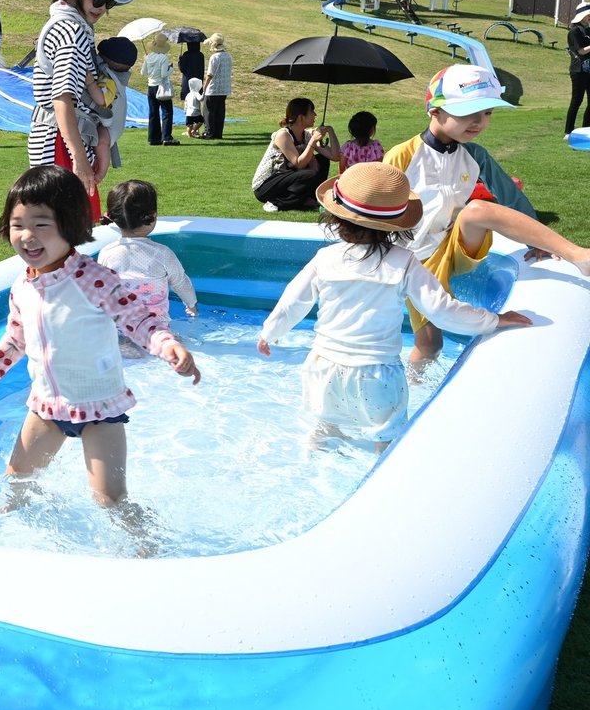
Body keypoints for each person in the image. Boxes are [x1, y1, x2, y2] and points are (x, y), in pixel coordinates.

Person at [0, 166, 200, 510]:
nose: (27, 235)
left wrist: (168, 345)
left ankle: (142, 552)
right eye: (18, 224)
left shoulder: (94, 279)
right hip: (46, 407)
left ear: (70, 225)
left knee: (110, 500)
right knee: (16, 485)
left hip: (100, 408)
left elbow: (137, 320)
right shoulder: (22, 287)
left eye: (41, 224)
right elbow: (14, 341)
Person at [258, 163, 531, 448]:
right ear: (396, 223)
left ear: (335, 219)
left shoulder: (324, 258)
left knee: (325, 428)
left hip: (322, 366)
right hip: (377, 373)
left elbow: (293, 301)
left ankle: (313, 458)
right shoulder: (404, 263)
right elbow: (442, 311)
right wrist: (493, 320)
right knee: (386, 442)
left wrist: (270, 333)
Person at [384, 64, 590, 365]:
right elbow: (379, 212)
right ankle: (414, 390)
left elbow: (504, 197)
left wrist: (535, 242)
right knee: (430, 345)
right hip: (413, 259)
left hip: (452, 246)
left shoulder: (472, 157)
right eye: (469, 112)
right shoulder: (402, 156)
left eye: (488, 113)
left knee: (478, 210)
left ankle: (579, 255)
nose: (479, 122)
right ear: (435, 111)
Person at [26, 0, 133, 222]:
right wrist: (80, 160)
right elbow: (62, 97)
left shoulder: (75, 27)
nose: (102, 7)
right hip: (60, 140)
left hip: (65, 137)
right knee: (65, 230)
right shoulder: (72, 31)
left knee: (67, 230)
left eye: (107, 2)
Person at [98, 179, 198, 320]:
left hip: (121, 325)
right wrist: (191, 304)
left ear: (113, 218)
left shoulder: (107, 253)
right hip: (156, 327)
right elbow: (181, 283)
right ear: (152, 216)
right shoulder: (163, 254)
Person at [251, 97, 340, 213]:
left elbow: (335, 156)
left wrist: (330, 130)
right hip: (266, 186)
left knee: (323, 160)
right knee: (309, 173)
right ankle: (276, 203)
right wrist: (313, 142)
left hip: (288, 180)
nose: (315, 115)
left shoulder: (306, 135)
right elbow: (298, 164)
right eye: (312, 111)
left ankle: (309, 198)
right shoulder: (283, 135)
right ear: (301, 117)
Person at [95, 36, 137, 169]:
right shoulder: (118, 78)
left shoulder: (110, 80)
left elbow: (101, 99)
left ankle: (102, 171)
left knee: (102, 142)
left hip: (110, 126)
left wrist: (90, 83)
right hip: (114, 123)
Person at [141, 32, 177, 146]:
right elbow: (163, 74)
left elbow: (143, 72)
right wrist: (170, 69)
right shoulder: (163, 58)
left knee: (153, 112)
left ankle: (153, 138)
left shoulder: (148, 57)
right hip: (161, 86)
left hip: (151, 86)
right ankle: (166, 137)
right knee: (167, 112)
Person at [197, 33, 232, 140]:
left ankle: (209, 133)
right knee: (219, 112)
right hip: (223, 89)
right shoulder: (227, 56)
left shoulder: (215, 57)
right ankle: (218, 133)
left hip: (213, 89)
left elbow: (210, 75)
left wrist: (204, 87)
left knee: (208, 112)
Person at [567, 1, 590, 136]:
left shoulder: (588, 30)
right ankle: (568, 130)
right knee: (577, 100)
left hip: (589, 70)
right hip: (578, 70)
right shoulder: (574, 32)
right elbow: (580, 51)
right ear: (582, 16)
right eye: (589, 15)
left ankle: (586, 128)